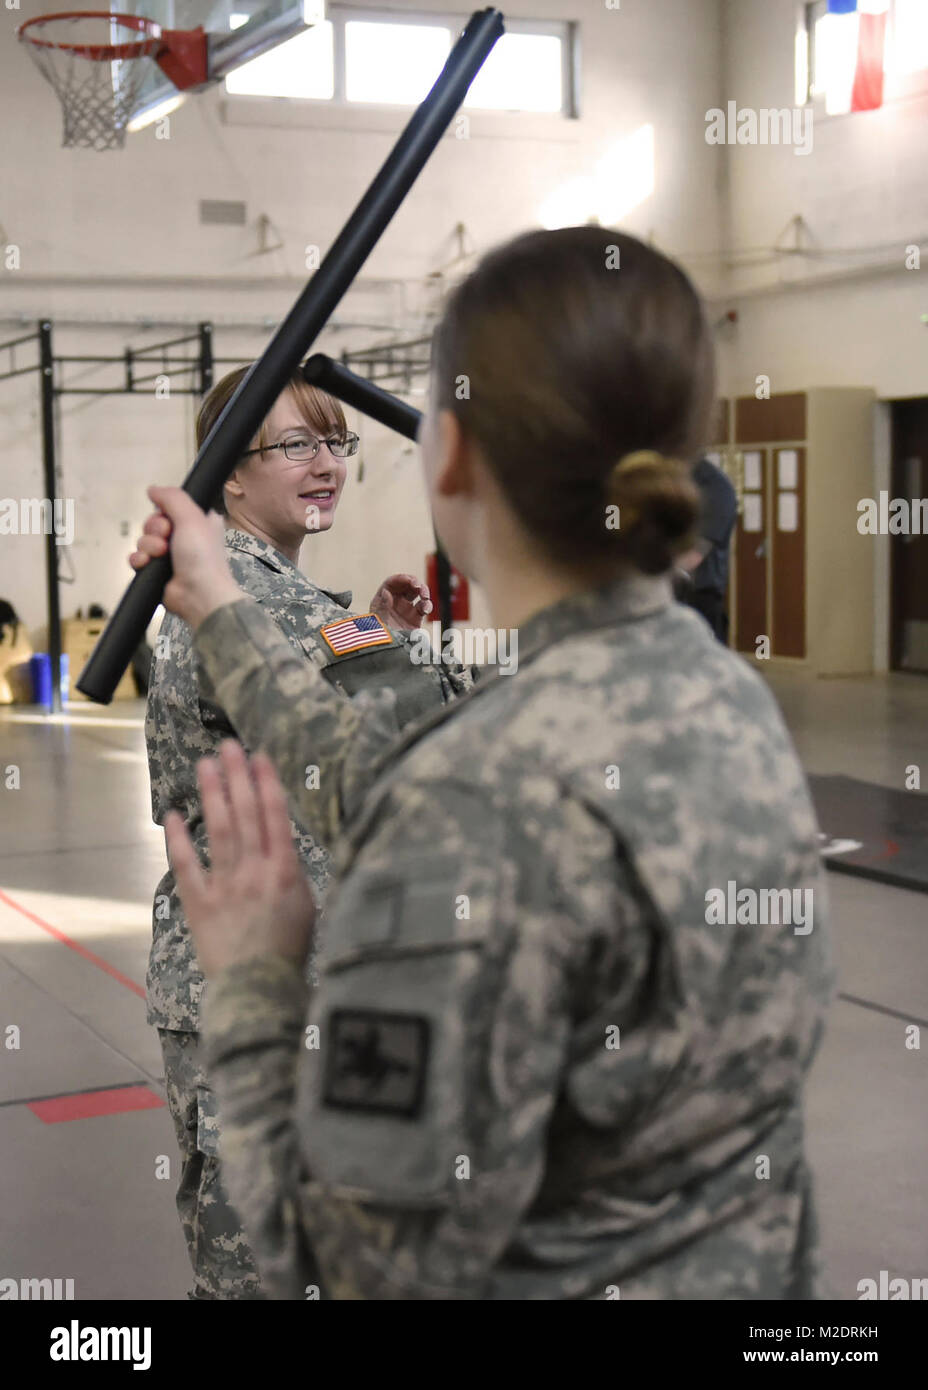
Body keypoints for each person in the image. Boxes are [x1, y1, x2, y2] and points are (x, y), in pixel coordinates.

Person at [131, 226, 833, 1300]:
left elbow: (352, 1258)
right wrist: (225, 607)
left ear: (448, 458)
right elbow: (404, 767)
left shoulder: (466, 794)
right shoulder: (725, 701)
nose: (323, 464)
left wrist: (259, 991)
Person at [144, 364, 464, 1299]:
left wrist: (366, 632)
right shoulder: (258, 598)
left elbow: (296, 730)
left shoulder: (269, 593)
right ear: (227, 474)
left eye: (335, 442)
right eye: (295, 445)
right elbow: (427, 732)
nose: (325, 464)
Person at [676, 455, 738, 642]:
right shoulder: (671, 481)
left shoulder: (715, 487)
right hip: (670, 599)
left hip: (699, 598)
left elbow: (693, 556)